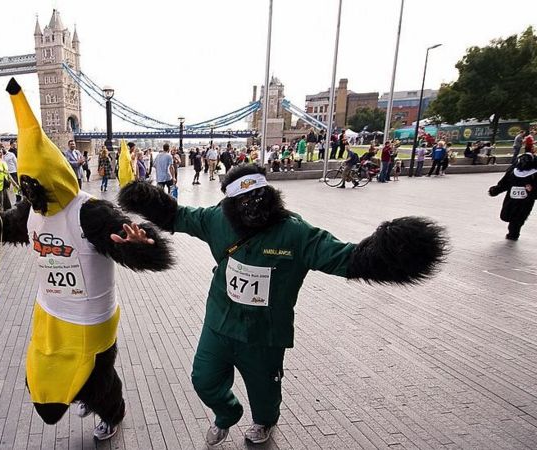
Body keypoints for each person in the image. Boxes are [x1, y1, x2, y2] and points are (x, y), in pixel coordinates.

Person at [118, 164, 446, 446]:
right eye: (244, 200)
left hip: (264, 333)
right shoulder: (217, 219)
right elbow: (176, 215)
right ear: (229, 203)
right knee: (203, 379)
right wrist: (144, 211)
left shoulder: (296, 233)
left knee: (264, 391)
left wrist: (393, 247)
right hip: (218, 323)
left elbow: (349, 258)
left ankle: (264, 420)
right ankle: (227, 412)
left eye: (259, 196)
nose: (253, 206)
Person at [0, 79, 174, 441]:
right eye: (25, 190)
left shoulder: (90, 213)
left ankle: (111, 412)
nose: (31, 197)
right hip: (49, 313)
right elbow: (5, 227)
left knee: (95, 380)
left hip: (89, 320)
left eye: (35, 189)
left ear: (54, 179)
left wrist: (141, 244)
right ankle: (82, 394)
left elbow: (148, 252)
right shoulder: (32, 210)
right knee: (42, 381)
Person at [489, 153, 537, 241]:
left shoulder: (535, 173)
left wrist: (533, 190)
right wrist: (495, 190)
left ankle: (513, 234)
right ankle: (513, 231)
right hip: (511, 198)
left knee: (519, 218)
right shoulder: (513, 171)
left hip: (525, 201)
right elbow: (504, 183)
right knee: (506, 215)